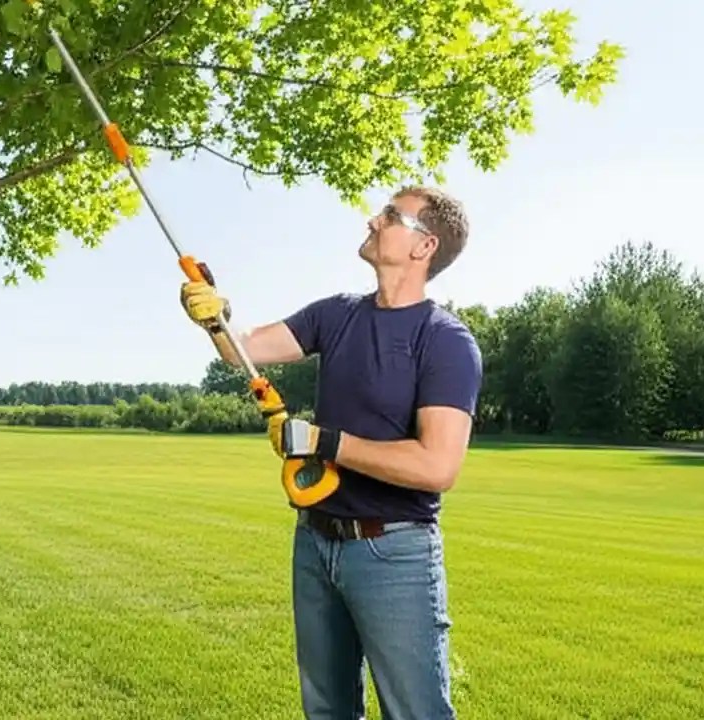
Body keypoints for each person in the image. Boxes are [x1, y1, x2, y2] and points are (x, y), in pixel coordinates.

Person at [180, 185, 483, 720]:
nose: (373, 219)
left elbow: (437, 466)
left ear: (424, 246)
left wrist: (325, 443)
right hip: (315, 543)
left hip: (393, 553)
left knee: (415, 712)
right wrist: (214, 315)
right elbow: (239, 348)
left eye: (391, 216)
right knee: (326, 710)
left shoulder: (445, 341)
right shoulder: (336, 314)